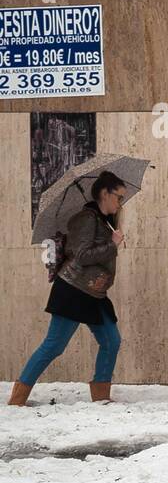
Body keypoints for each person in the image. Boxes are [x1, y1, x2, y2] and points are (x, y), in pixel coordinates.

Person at [9, 172, 127, 406]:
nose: (120, 202)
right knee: (54, 345)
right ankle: (18, 397)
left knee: (111, 341)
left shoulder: (103, 221)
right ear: (104, 193)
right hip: (73, 290)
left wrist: (113, 236)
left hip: (94, 293)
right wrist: (112, 245)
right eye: (118, 197)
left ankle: (101, 396)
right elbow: (82, 256)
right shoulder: (85, 219)